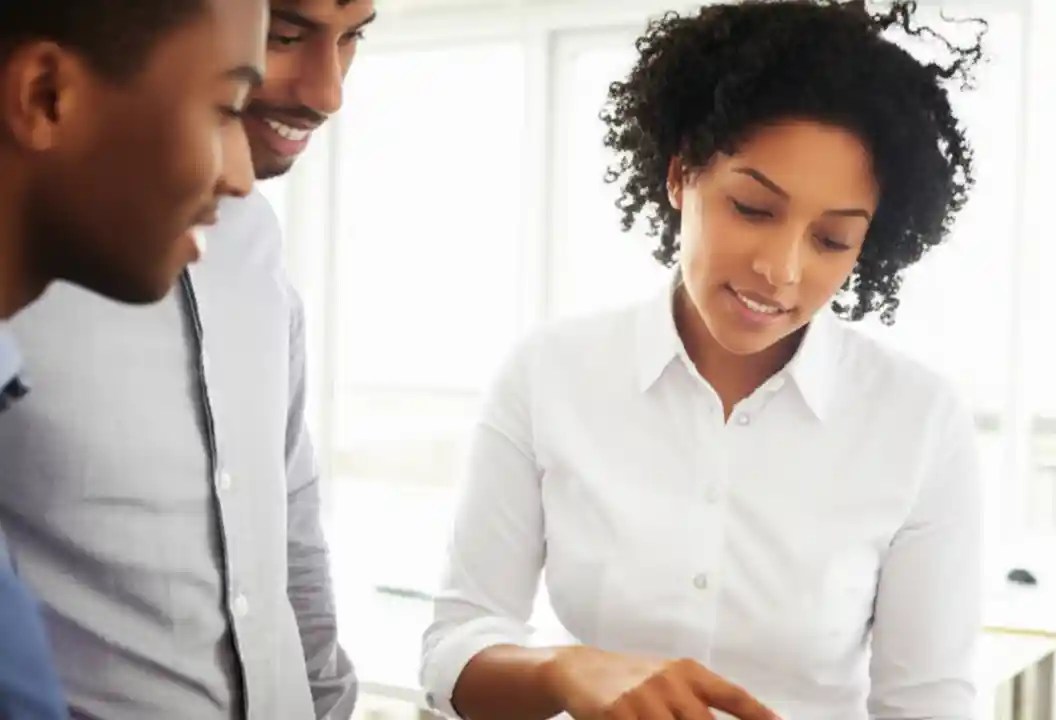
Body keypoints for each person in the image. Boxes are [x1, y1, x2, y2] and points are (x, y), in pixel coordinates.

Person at [421, 2, 986, 719]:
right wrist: (568, 671)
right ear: (681, 176)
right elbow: (453, 650)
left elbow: (927, 707)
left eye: (832, 240)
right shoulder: (550, 376)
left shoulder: (919, 422)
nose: (780, 270)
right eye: (752, 208)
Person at [0, 1, 374, 718]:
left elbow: (288, 519)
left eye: (354, 38)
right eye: (222, 107)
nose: (330, 94)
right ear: (47, 96)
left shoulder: (256, 244)